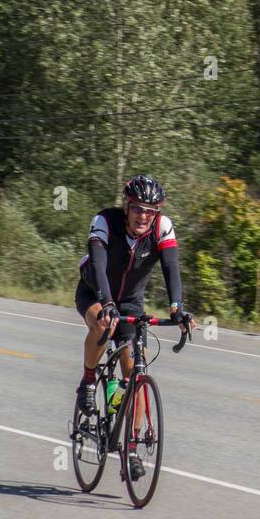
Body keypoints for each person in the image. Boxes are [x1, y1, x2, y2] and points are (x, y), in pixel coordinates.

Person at [75, 174, 195, 480]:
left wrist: (177, 309)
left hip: (129, 302)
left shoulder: (161, 227)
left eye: (150, 211)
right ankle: (89, 381)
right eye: (138, 209)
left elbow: (171, 268)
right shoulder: (105, 221)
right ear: (126, 206)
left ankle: (129, 449)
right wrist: (106, 305)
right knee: (102, 326)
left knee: (136, 369)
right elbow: (99, 265)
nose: (144, 216)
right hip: (95, 292)